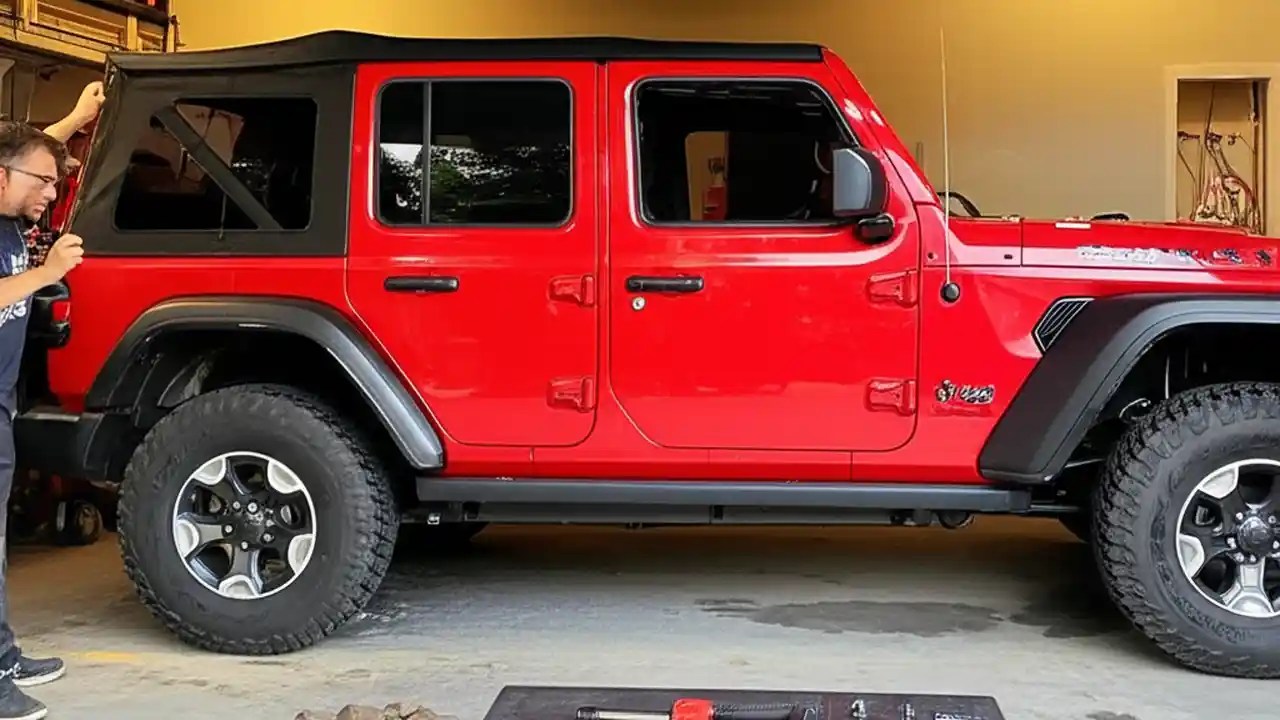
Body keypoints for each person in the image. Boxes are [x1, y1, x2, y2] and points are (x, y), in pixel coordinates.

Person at [0, 81, 103, 720]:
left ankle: (1, 652)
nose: (52, 191)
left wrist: (75, 119)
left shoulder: (13, 210)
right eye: (43, 182)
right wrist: (47, 273)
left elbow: (31, 156)